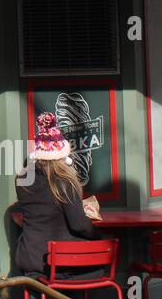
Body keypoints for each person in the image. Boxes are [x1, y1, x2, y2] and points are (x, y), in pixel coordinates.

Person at [14, 112, 100, 284]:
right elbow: (79, 225)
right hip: (65, 266)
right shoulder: (64, 181)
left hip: (32, 261)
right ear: (62, 156)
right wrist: (97, 233)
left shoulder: (22, 180)